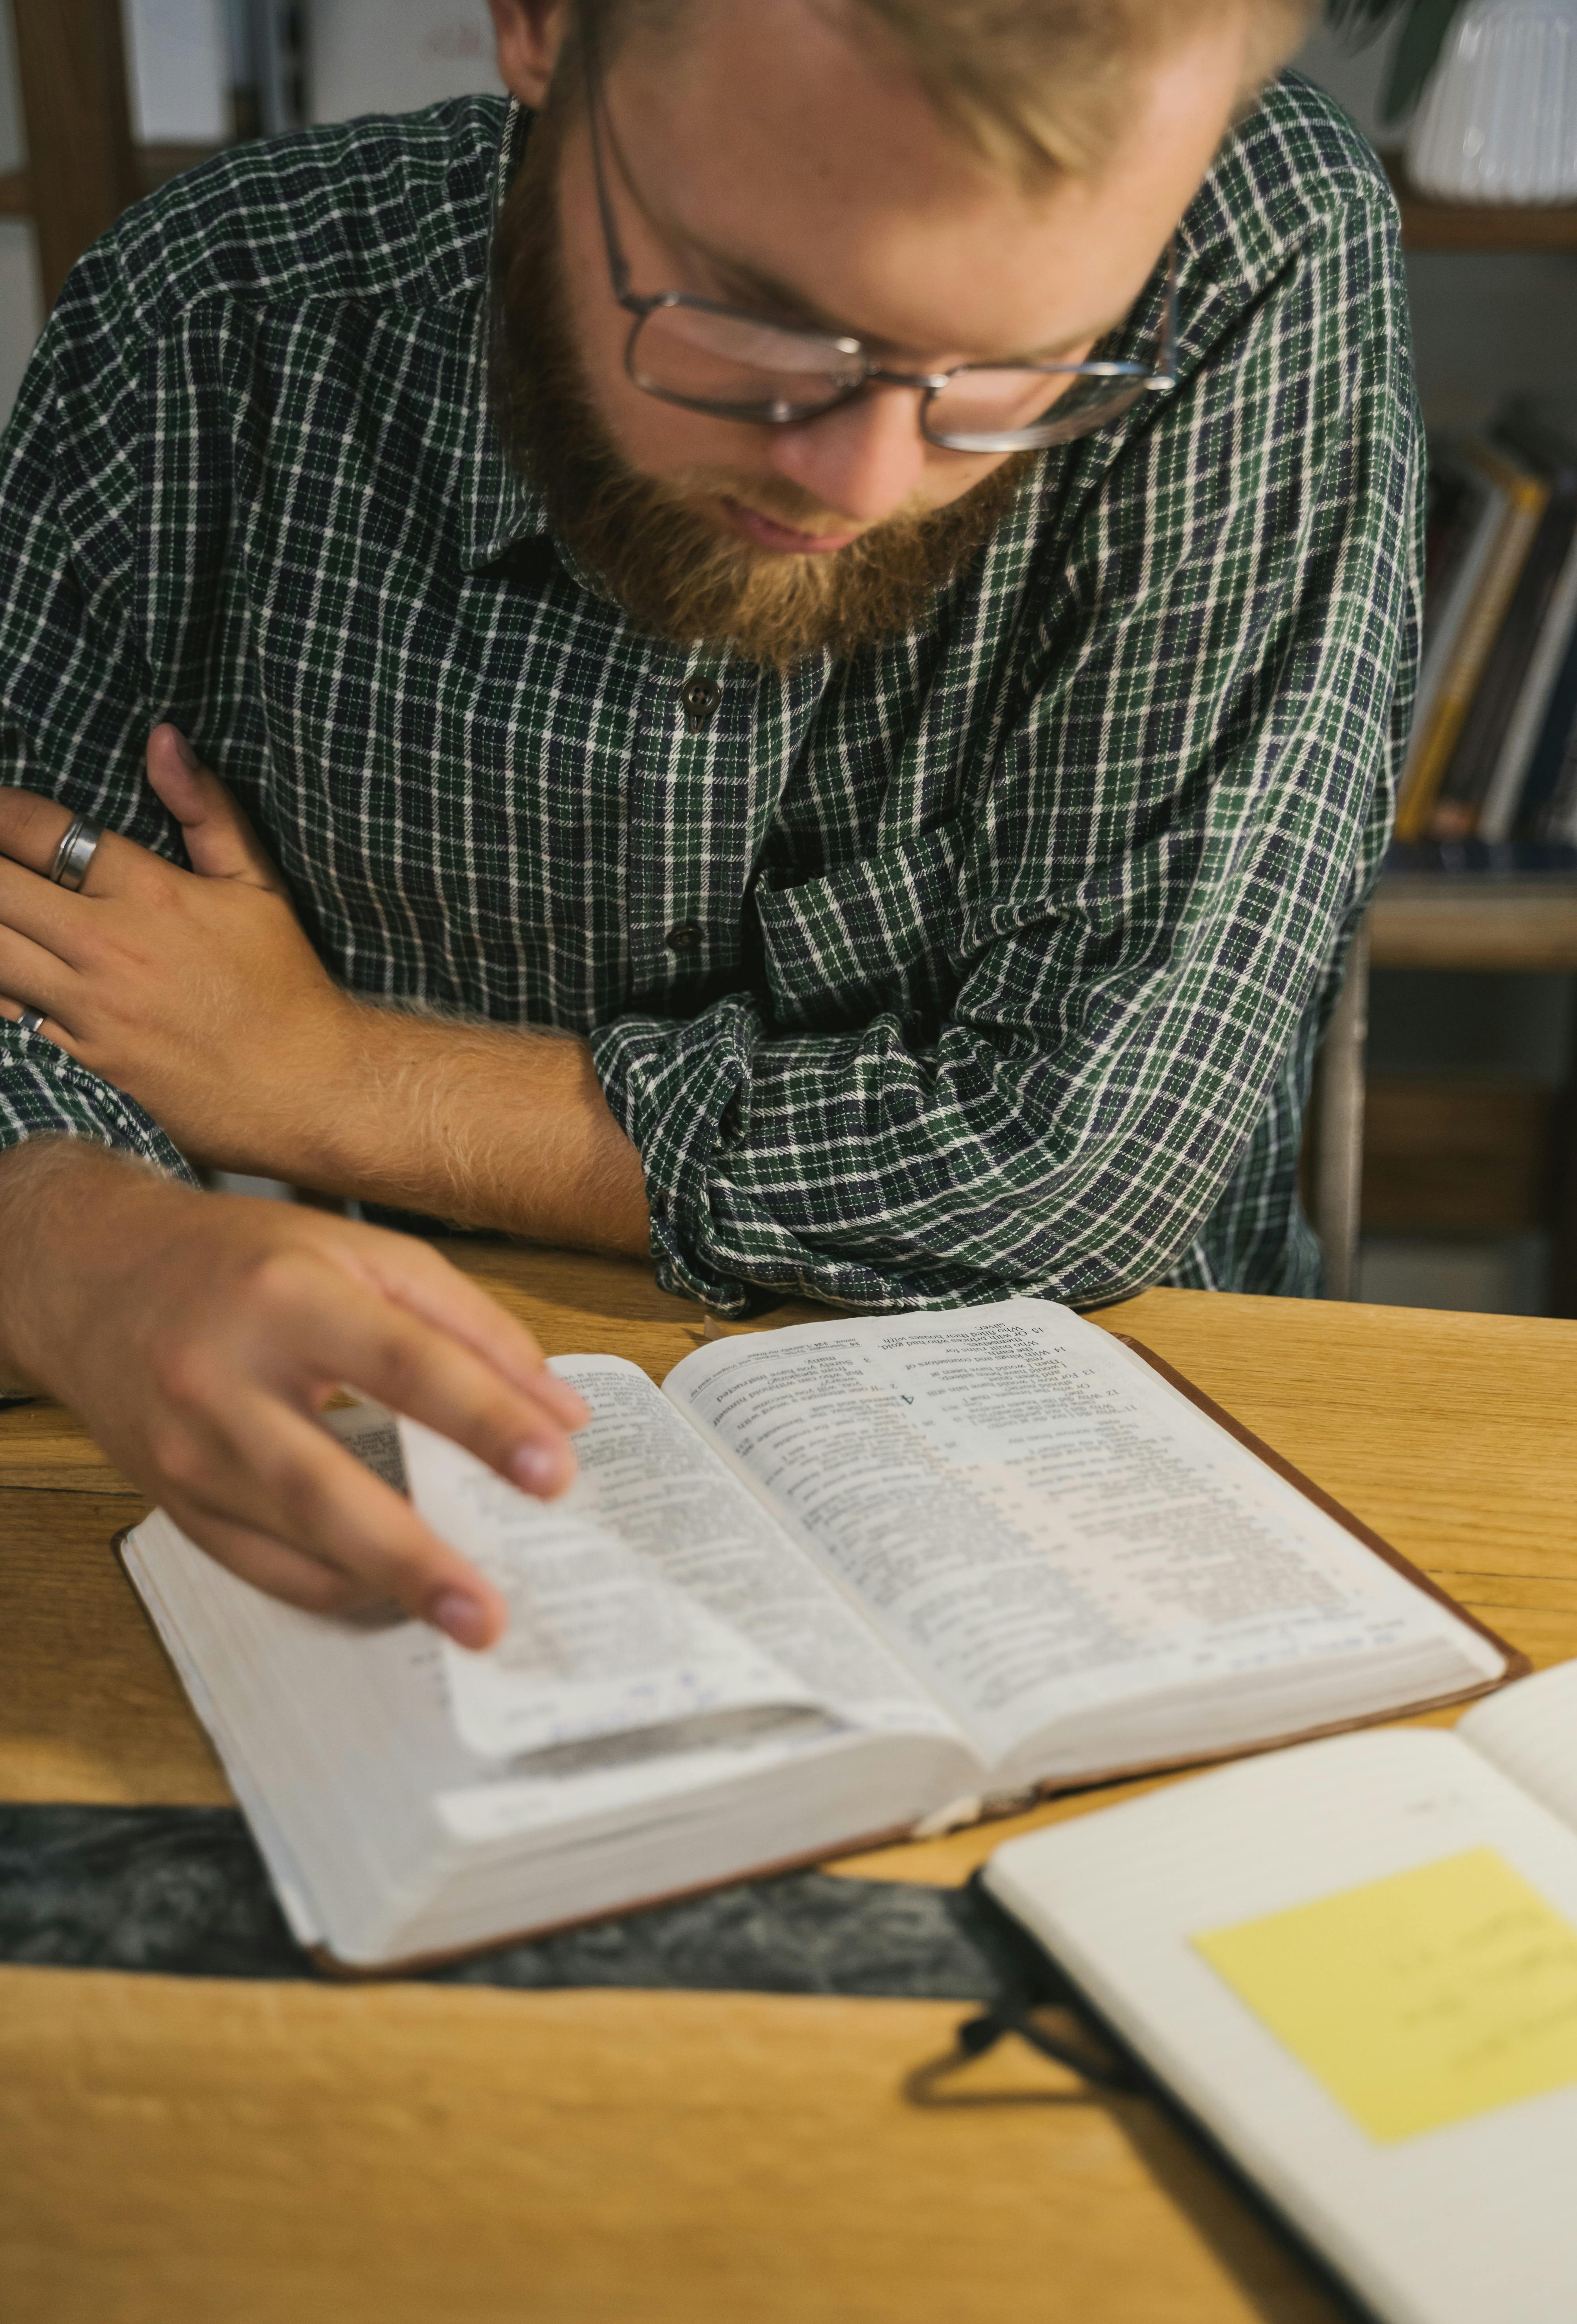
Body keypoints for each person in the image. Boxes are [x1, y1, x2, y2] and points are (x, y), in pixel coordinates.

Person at [0, 0, 1419, 1647]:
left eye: (1014, 366)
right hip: (425, 1496)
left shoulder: (1250, 251)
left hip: (1125, 1491)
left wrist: (333, 1082)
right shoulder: (221, 320)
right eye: (754, 318)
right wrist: (68, 1241)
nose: (865, 477)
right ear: (538, 30)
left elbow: (1083, 1163)